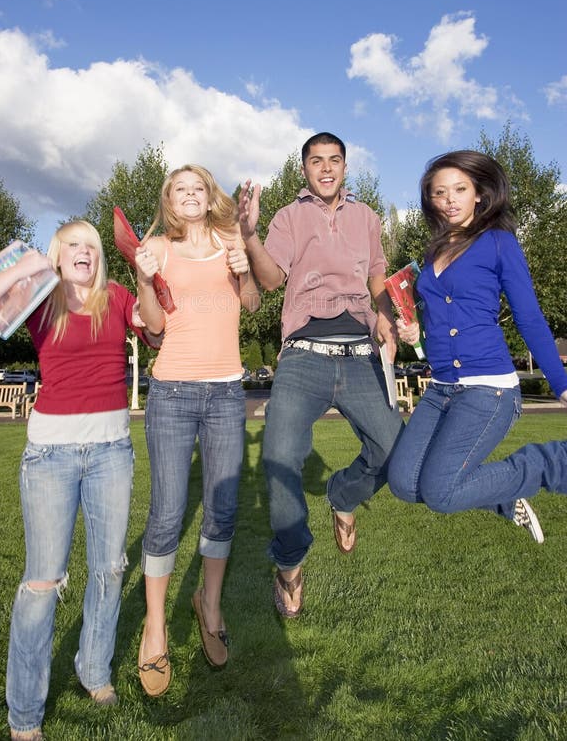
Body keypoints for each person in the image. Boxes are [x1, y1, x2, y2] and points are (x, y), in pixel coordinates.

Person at [0, 221, 161, 741]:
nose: (84, 253)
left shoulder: (117, 297)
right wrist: (26, 267)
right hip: (50, 454)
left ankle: (93, 670)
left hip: (111, 452)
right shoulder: (37, 296)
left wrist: (148, 280)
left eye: (92, 247)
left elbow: (158, 328)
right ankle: (25, 713)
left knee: (110, 569)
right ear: (56, 255)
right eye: (72, 245)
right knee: (42, 581)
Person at [238, 132, 404, 618]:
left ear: (345, 167)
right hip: (304, 354)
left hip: (360, 353)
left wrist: (385, 318)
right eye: (316, 161)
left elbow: (377, 279)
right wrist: (249, 234)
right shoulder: (290, 217)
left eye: (334, 160)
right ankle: (289, 565)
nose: (326, 168)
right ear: (305, 169)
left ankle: (344, 494)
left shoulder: (367, 217)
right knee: (280, 458)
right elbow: (270, 280)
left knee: (397, 451)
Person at [387, 150, 567, 541]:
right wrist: (416, 334)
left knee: (440, 492)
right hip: (441, 389)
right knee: (403, 482)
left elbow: (530, 317)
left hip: (489, 387)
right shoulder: (434, 249)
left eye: (459, 189)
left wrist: (560, 382)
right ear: (430, 200)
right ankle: (503, 495)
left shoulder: (499, 242)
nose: (449, 199)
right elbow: (441, 316)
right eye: (439, 193)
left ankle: (552, 463)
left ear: (479, 194)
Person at [134, 164, 260, 696]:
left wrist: (243, 269)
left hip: (226, 390)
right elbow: (154, 327)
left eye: (198, 188)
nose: (189, 194)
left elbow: (252, 304)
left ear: (210, 198)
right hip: (171, 392)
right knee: (166, 511)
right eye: (179, 188)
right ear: (170, 200)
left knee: (222, 507)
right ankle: (155, 627)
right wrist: (142, 279)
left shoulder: (231, 239)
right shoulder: (156, 248)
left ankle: (208, 606)